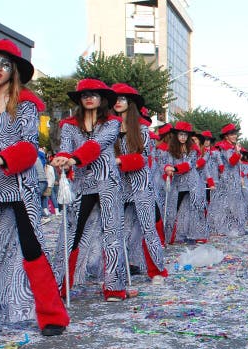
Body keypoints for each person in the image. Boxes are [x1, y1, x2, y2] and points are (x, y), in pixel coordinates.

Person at [0, 38, 69, 336]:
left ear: (14, 71)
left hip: (19, 186)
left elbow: (29, 145)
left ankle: (52, 317)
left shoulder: (25, 105)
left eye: (5, 64)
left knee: (32, 248)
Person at [52, 78, 127, 302]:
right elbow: (65, 147)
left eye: (94, 94)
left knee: (112, 233)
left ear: (102, 99)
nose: (89, 98)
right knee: (70, 233)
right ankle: (59, 285)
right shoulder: (68, 125)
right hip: (81, 184)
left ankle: (114, 287)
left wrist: (74, 158)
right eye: (85, 95)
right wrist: (62, 158)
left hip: (108, 183)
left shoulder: (112, 123)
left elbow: (97, 145)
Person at [110, 83, 168, 284]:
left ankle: (157, 269)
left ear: (131, 103)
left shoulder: (142, 129)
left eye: (122, 99)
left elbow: (142, 158)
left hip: (140, 185)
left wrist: (119, 161)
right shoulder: (109, 129)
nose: (118, 102)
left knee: (148, 228)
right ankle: (118, 269)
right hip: (118, 186)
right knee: (117, 229)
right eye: (115, 99)